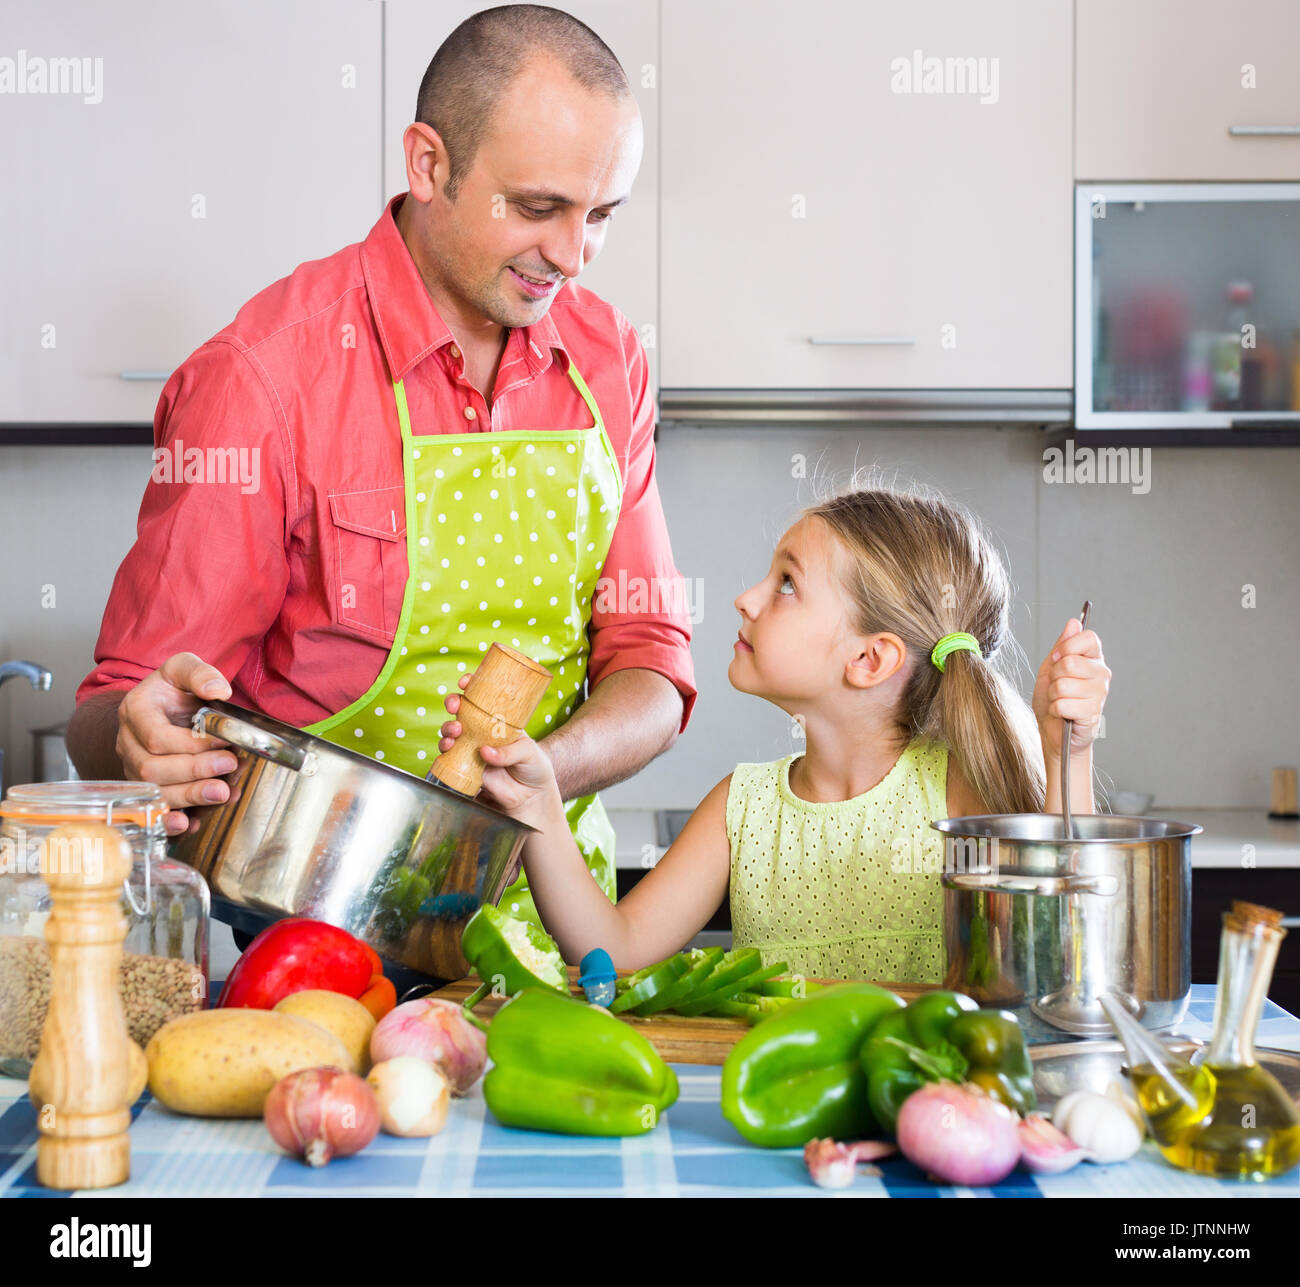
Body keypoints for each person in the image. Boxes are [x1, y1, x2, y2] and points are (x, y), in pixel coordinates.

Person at [66, 5, 697, 930]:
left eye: (600, 214)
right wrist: (138, 734)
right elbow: (110, 715)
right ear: (429, 163)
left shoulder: (611, 361)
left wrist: (530, 782)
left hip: (554, 933)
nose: (572, 255)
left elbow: (649, 662)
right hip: (303, 937)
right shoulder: (264, 380)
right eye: (536, 208)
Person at [439, 483, 1112, 983]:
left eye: (786, 582)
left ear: (868, 659)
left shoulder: (957, 796)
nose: (746, 598)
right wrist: (537, 806)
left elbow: (1062, 955)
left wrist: (1069, 754)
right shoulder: (741, 808)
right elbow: (607, 950)